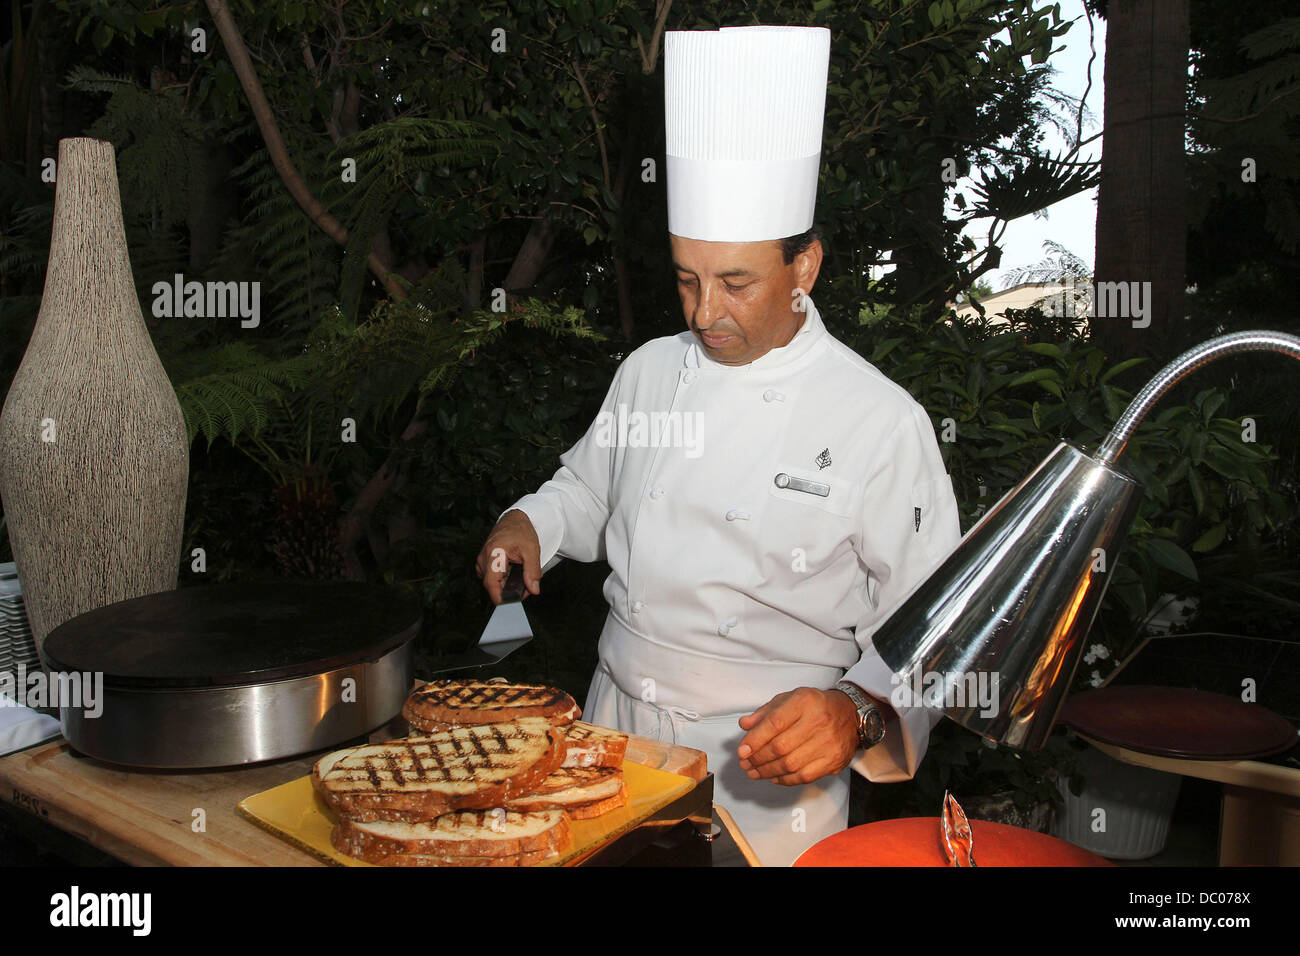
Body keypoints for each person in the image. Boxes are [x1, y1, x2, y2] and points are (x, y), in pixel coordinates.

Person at [474, 25, 963, 866]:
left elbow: (940, 630)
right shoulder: (650, 372)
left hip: (763, 779)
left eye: (736, 283)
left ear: (804, 266)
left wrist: (859, 710)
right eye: (686, 278)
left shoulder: (880, 423)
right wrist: (530, 523)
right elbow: (589, 493)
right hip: (609, 739)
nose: (704, 314)